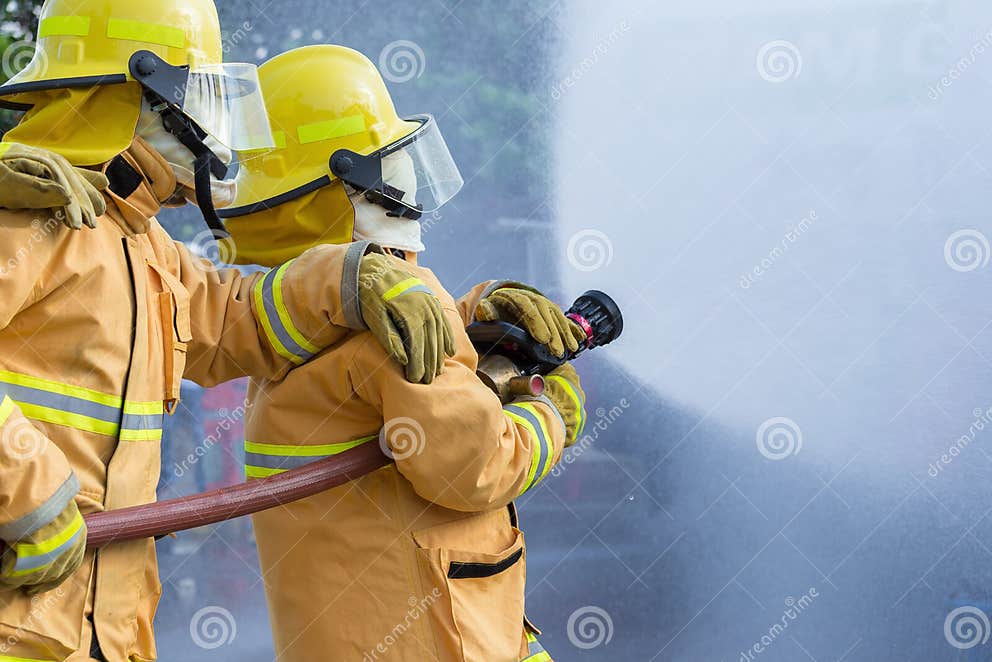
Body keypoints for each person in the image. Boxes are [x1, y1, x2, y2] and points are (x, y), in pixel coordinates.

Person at [0, 3, 453, 660]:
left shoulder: (140, 245)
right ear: (139, 92)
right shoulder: (31, 217)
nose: (216, 127)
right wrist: (31, 500)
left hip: (94, 631)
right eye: (201, 94)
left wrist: (351, 278)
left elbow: (232, 316)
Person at [217, 44, 587, 662]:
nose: (410, 173)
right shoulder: (394, 327)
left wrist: (481, 308)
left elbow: (394, 366)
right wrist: (552, 410)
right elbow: (480, 466)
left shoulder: (303, 322)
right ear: (356, 186)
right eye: (394, 156)